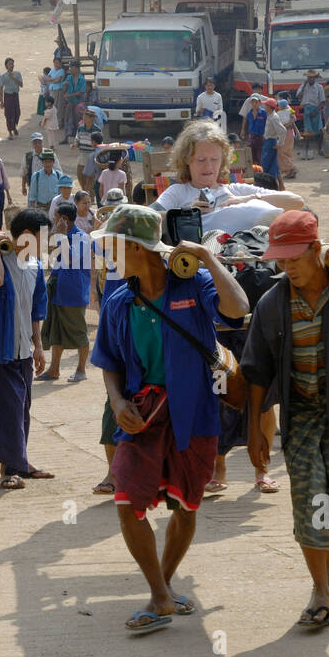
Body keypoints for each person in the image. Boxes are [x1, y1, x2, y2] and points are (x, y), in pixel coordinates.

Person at [91, 204, 249, 631]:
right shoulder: (119, 298)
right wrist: (117, 401)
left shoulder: (193, 284)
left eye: (111, 245)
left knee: (185, 505)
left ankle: (164, 585)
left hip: (194, 412)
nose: (106, 252)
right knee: (127, 500)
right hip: (142, 414)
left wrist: (208, 257)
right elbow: (107, 359)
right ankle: (161, 595)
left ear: (136, 248)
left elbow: (236, 308)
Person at [242, 209, 329, 625]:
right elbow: (256, 371)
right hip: (301, 414)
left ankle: (328, 569)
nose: (287, 268)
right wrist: (255, 432)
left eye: (294, 259)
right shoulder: (272, 303)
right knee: (308, 500)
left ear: (317, 250)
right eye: (280, 261)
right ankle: (321, 592)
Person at [0, 209, 54, 488]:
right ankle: (9, 471)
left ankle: (20, 462)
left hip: (23, 349)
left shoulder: (34, 266)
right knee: (7, 409)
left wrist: (39, 346)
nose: (45, 242)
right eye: (41, 237)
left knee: (22, 408)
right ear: (25, 236)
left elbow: (36, 308)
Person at [149, 120, 303, 232]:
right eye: (201, 160)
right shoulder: (178, 192)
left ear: (223, 160)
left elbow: (296, 201)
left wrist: (247, 199)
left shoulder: (236, 190)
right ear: (187, 159)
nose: (209, 167)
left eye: (215, 159)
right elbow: (147, 218)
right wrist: (186, 213)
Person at [37, 202, 92, 382]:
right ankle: (54, 370)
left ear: (64, 219)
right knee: (56, 331)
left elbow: (70, 260)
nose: (54, 221)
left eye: (56, 218)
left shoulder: (82, 237)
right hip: (59, 288)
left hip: (73, 292)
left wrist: (59, 236)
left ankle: (81, 370)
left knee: (79, 331)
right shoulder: (63, 236)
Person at [296, 70, 325, 160]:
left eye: (312, 77)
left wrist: (316, 111)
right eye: (309, 77)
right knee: (307, 131)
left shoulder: (319, 87)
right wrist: (304, 86)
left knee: (319, 131)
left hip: (316, 109)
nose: (310, 79)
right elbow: (299, 96)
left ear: (315, 78)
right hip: (307, 109)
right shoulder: (304, 86)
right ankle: (307, 149)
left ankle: (320, 148)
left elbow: (322, 101)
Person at [0, 58, 23, 139]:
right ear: (6, 66)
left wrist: (14, 78)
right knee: (8, 114)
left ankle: (14, 127)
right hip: (8, 96)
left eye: (12, 64)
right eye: (9, 64)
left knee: (17, 112)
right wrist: (1, 101)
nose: (11, 65)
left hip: (15, 95)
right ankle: (10, 131)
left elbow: (21, 85)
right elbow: (1, 88)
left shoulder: (17, 74)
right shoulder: (3, 76)